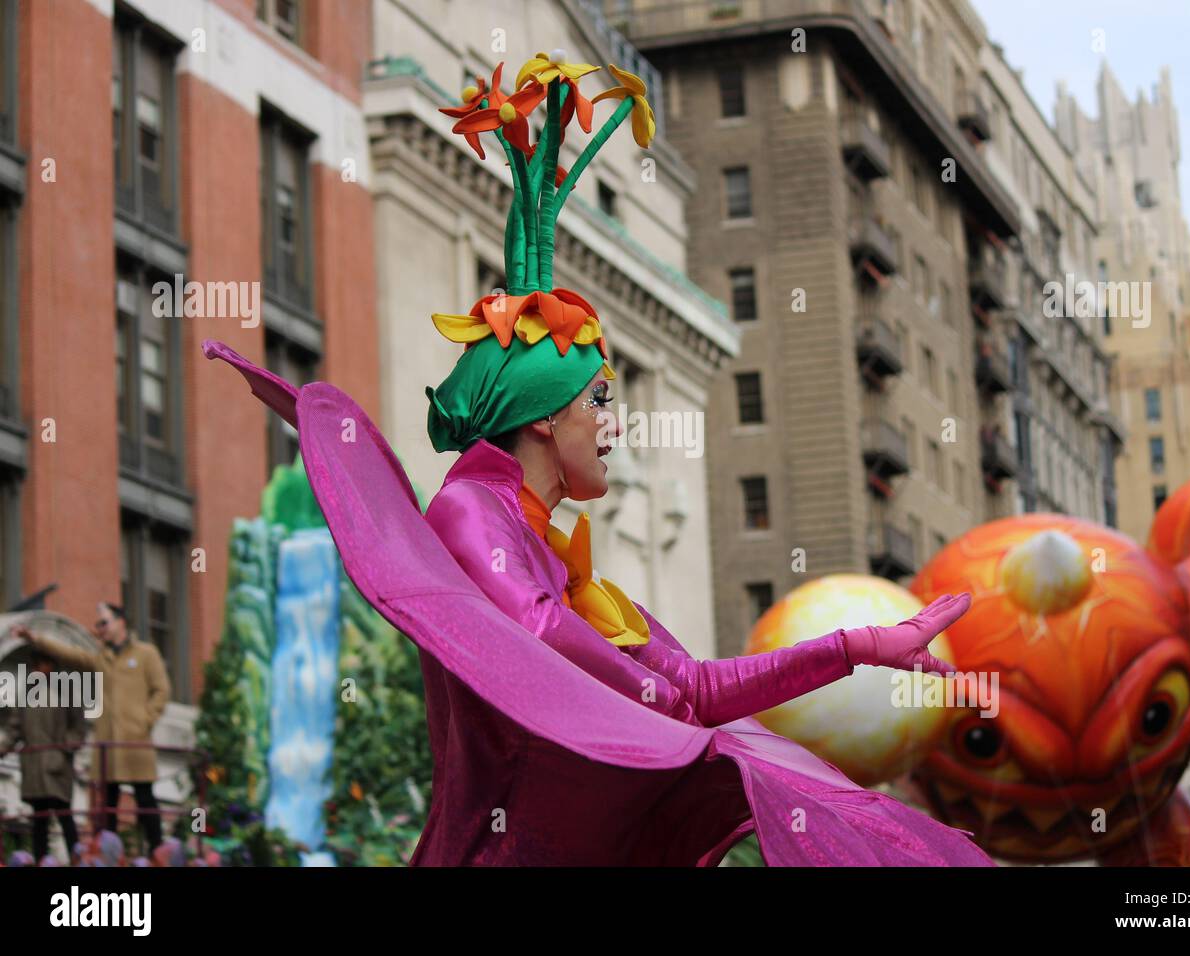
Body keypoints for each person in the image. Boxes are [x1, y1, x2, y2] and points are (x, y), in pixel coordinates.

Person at [205, 52, 991, 866]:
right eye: (602, 401)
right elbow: (536, 634)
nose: (616, 426)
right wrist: (665, 717)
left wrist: (857, 648)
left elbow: (697, 690)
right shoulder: (471, 510)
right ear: (545, 418)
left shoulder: (574, 572)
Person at [14, 602, 170, 853]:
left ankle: (159, 852)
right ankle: (108, 855)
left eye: (103, 623)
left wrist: (146, 720)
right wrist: (34, 638)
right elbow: (68, 653)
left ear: (121, 622)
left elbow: (161, 690)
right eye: (98, 624)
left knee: (145, 798)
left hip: (136, 742)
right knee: (108, 805)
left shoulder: (145, 654)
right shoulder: (100, 657)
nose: (99, 629)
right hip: (108, 745)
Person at [0, 649, 86, 861]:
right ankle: (41, 861)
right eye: (38, 665)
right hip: (34, 766)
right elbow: (15, 727)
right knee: (40, 818)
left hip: (57, 766)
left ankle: (77, 860)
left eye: (45, 665)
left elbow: (78, 728)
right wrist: (3, 747)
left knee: (64, 815)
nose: (41, 670)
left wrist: (64, 748)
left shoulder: (67, 693)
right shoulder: (27, 695)